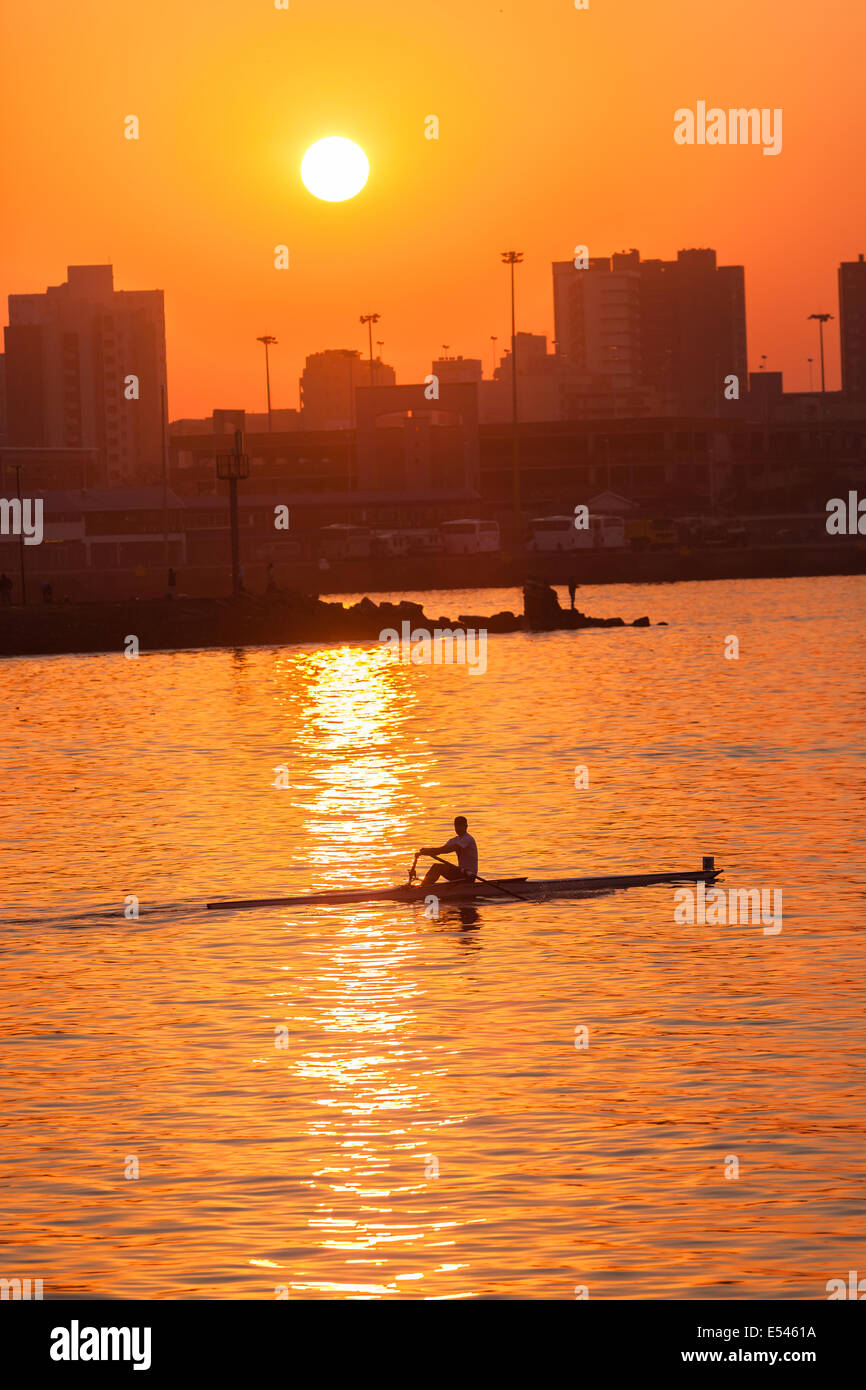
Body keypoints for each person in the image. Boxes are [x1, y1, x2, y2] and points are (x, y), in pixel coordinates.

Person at [418, 816, 478, 888]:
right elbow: (442, 849)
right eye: (456, 826)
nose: (458, 828)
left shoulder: (468, 839)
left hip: (469, 875)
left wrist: (429, 851)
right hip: (461, 872)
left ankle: (423, 889)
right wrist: (426, 851)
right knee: (436, 866)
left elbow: (447, 850)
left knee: (437, 868)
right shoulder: (454, 840)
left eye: (460, 826)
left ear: (466, 826)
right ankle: (424, 886)